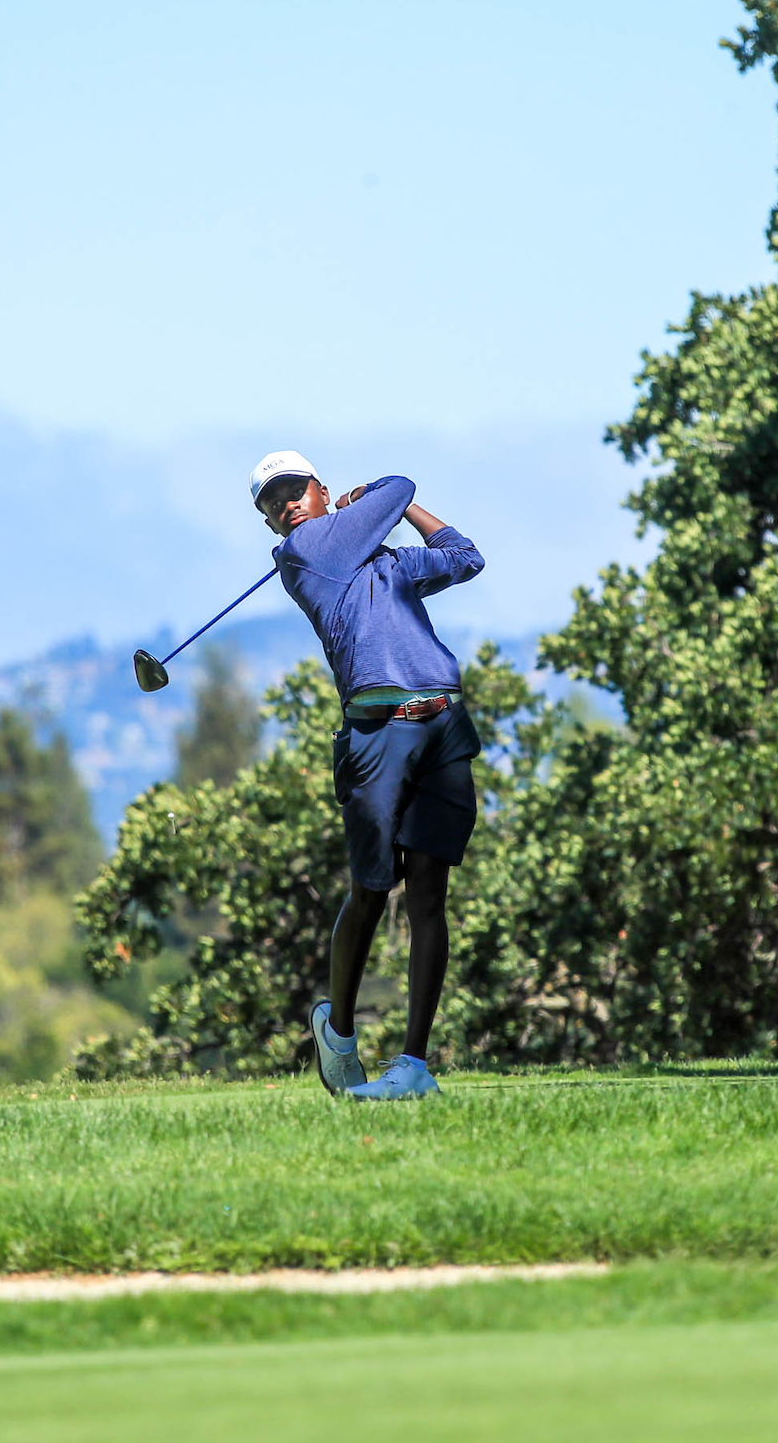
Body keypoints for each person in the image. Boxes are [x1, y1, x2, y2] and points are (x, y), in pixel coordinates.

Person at [250, 449, 485, 1101]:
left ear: (319, 490)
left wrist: (401, 512)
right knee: (373, 891)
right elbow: (400, 481)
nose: (287, 504)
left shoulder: (380, 562)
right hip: (376, 735)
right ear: (272, 524)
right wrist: (379, 497)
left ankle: (413, 1065)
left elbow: (464, 556)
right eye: (273, 502)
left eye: (296, 490)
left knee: (429, 896)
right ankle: (341, 1032)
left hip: (440, 722)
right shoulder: (303, 557)